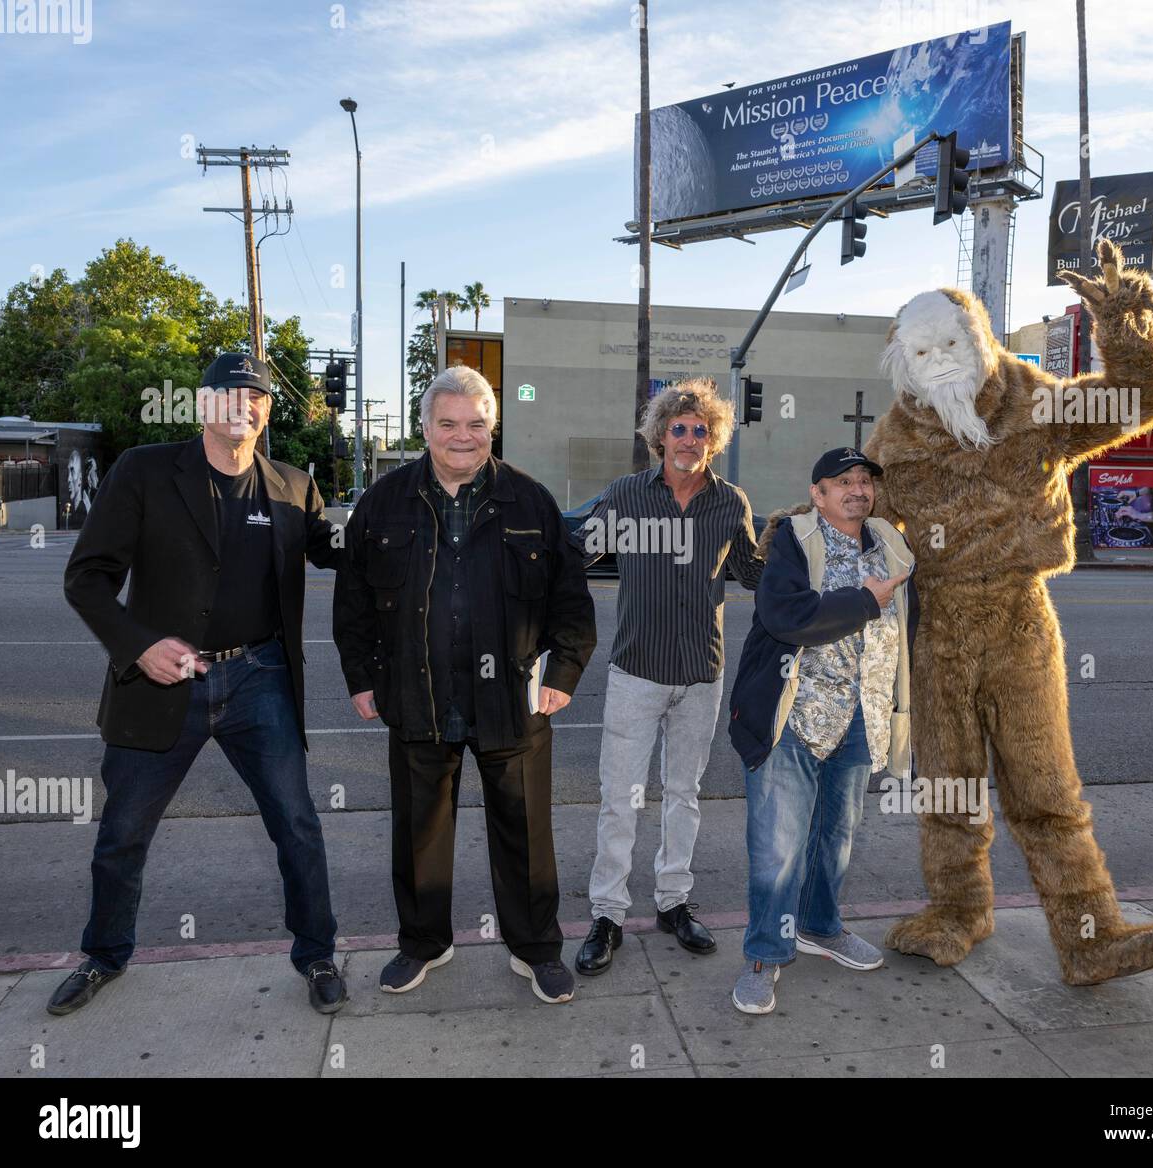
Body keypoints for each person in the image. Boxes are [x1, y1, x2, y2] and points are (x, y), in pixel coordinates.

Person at [51, 353, 348, 1017]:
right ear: (202, 404)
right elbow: (87, 577)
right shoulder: (145, 471)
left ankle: (318, 954)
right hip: (164, 682)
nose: (244, 404)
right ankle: (103, 955)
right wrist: (139, 645)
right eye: (230, 393)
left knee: (297, 825)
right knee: (123, 832)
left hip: (260, 678)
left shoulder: (293, 487)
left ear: (268, 411)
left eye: (257, 396)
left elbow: (344, 552)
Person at [334, 366, 596, 1005]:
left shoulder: (530, 501)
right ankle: (424, 942)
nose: (463, 437)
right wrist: (362, 680)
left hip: (513, 699)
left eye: (476, 424)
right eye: (448, 423)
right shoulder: (385, 502)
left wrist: (562, 674)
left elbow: (571, 599)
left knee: (526, 832)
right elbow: (354, 603)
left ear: (492, 428)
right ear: (424, 428)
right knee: (419, 831)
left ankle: (535, 949)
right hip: (418, 697)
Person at [572, 380, 762, 976]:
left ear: (714, 439)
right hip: (637, 673)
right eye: (678, 429)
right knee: (619, 800)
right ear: (660, 437)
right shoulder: (627, 495)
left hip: (701, 675)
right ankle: (607, 914)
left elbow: (754, 574)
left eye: (700, 429)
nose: (688, 438)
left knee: (685, 795)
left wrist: (809, 536)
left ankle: (673, 902)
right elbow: (575, 551)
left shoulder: (731, 504)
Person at [726, 448, 917, 1015]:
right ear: (819, 493)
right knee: (777, 847)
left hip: (862, 714)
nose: (857, 490)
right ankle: (764, 954)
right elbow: (788, 617)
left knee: (837, 835)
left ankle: (820, 926)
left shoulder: (890, 543)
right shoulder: (793, 541)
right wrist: (863, 601)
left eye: (864, 481)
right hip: (793, 716)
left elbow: (910, 621)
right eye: (842, 482)